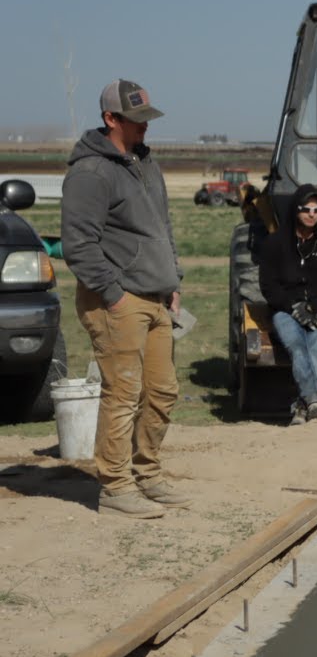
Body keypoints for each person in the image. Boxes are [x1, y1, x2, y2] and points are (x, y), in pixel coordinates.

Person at [62, 79, 189, 518]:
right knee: (124, 394)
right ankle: (115, 488)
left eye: (147, 120)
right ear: (111, 119)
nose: (144, 129)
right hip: (117, 301)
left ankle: (148, 475)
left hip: (156, 297)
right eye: (136, 121)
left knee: (162, 392)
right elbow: (78, 245)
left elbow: (162, 228)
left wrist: (173, 281)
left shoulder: (144, 163)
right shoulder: (91, 173)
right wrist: (114, 296)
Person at [259, 185, 317, 425]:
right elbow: (268, 286)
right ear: (295, 210)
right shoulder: (274, 244)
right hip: (285, 311)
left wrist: (314, 307)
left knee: (316, 352)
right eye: (306, 209)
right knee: (297, 348)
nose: (311, 214)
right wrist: (293, 306)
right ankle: (316, 403)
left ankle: (302, 406)